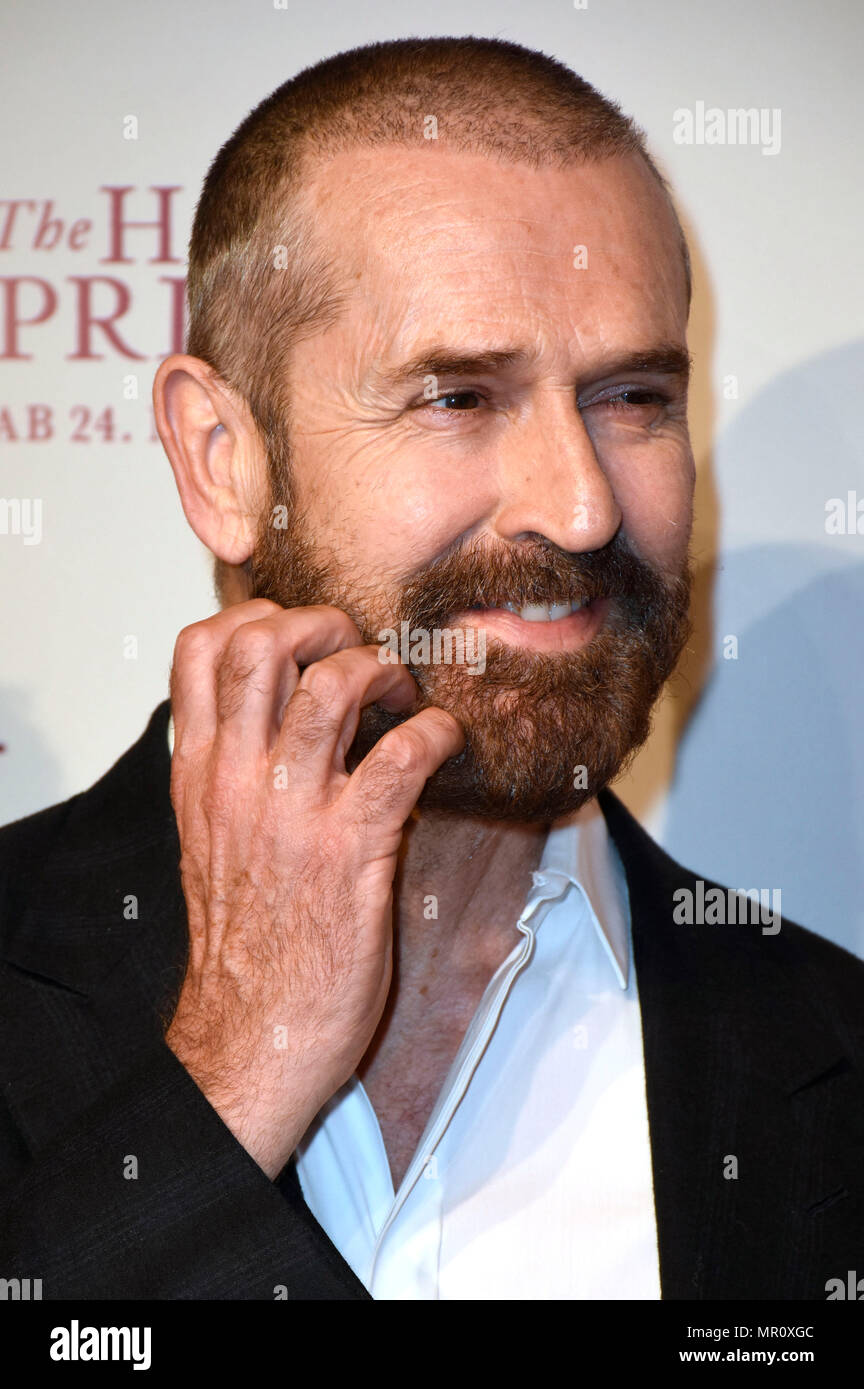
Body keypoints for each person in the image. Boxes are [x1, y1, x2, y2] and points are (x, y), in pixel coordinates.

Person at [1, 36, 862, 1302]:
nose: (578, 509)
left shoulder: (829, 1048)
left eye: (631, 397)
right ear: (223, 459)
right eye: (459, 397)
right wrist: (232, 1072)